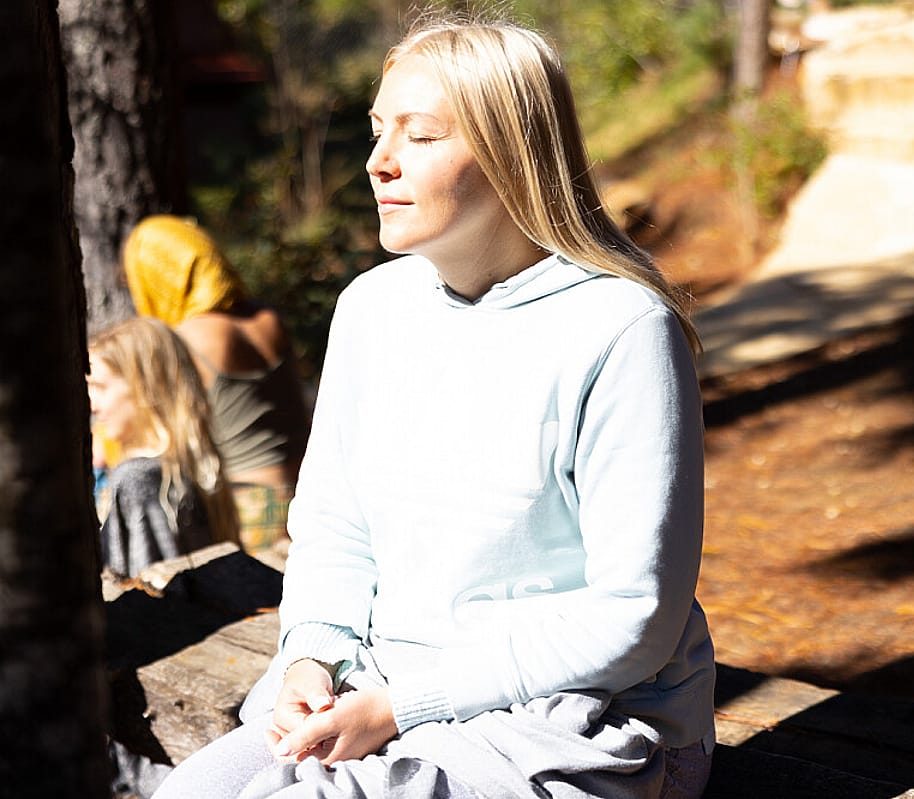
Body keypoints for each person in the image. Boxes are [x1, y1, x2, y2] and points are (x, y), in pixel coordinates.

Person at [153, 11, 714, 799]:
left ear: (513, 152)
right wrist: (314, 653)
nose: (379, 162)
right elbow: (336, 528)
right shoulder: (372, 309)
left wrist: (402, 707)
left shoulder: (620, 327)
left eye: (418, 136)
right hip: (384, 686)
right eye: (379, 131)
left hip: (566, 719)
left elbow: (635, 617)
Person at [121, 214, 311, 562]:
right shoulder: (266, 317)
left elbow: (163, 432)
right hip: (307, 487)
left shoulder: (189, 338)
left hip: (248, 503)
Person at [88, 316, 240, 578]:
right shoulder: (188, 467)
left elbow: (150, 590)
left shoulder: (138, 478)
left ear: (145, 387)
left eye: (100, 388)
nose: (92, 405)